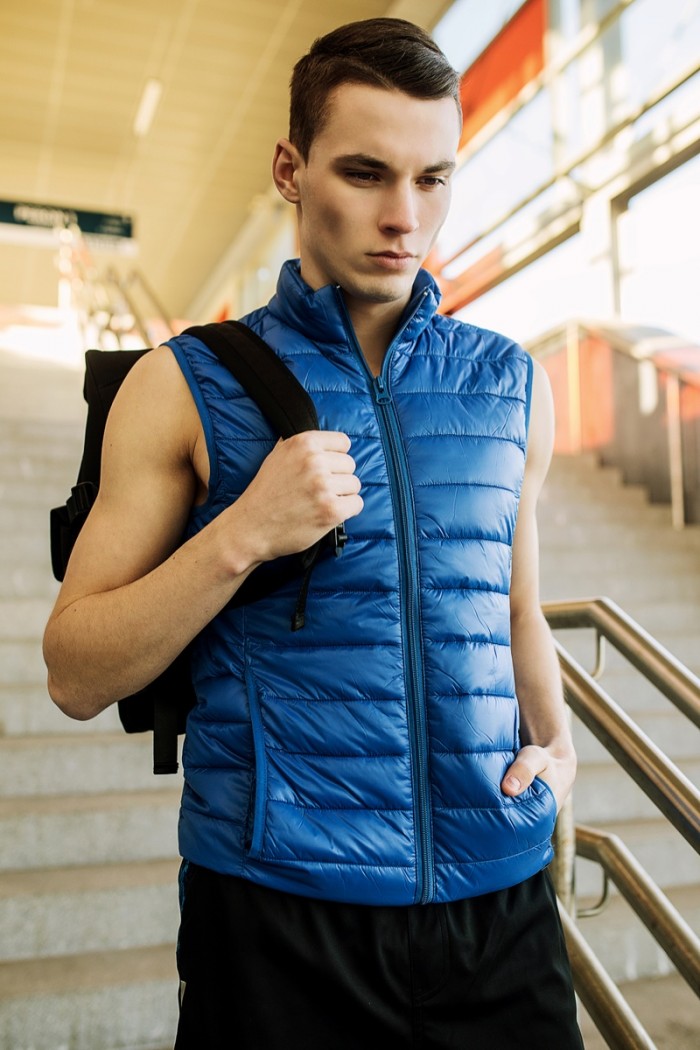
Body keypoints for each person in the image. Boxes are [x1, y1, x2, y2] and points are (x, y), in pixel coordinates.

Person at [43, 17, 584, 1050]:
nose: (404, 216)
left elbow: (515, 608)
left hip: (498, 907)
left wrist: (558, 751)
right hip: (278, 915)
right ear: (290, 170)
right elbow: (74, 671)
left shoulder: (511, 384)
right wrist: (242, 534)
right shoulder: (183, 385)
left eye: (433, 178)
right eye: (366, 173)